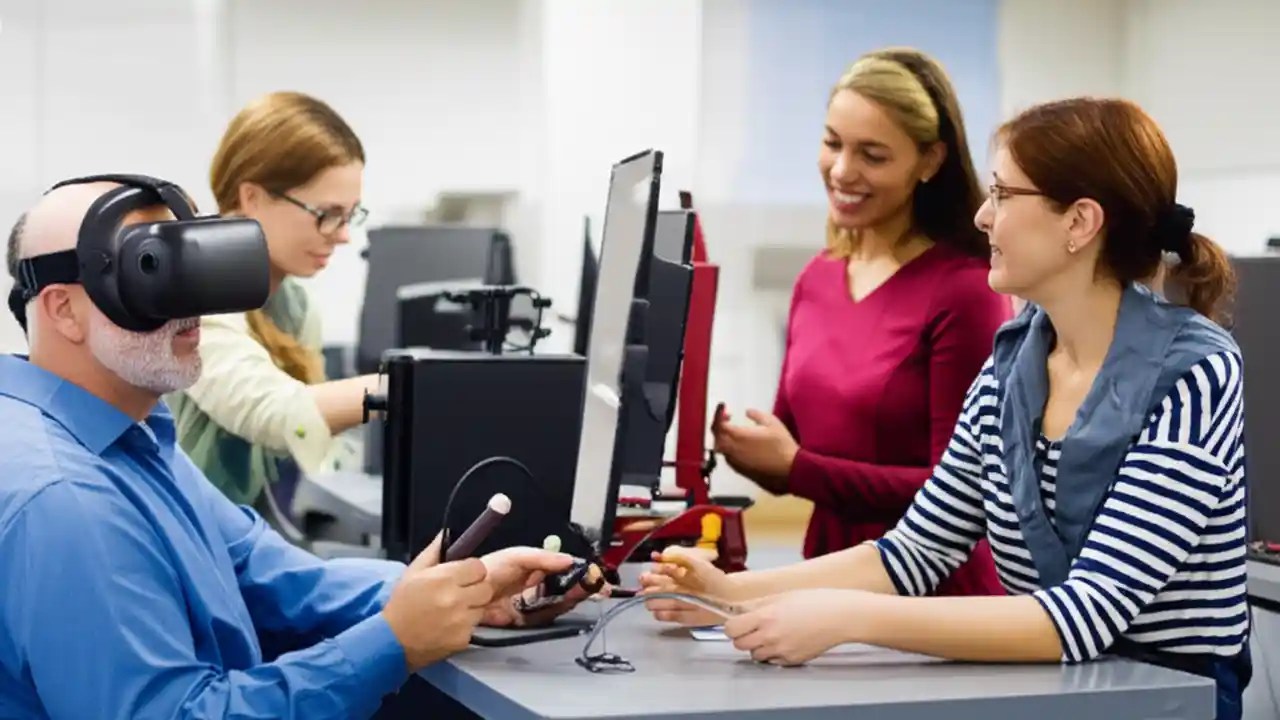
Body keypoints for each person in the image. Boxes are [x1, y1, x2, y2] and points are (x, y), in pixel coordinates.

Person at [644, 97, 1250, 719]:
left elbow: (1085, 614)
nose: (984, 216)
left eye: (1003, 194)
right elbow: (916, 550)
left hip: (1170, 696)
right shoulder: (1010, 366)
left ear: (1079, 221)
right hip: (1060, 688)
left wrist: (847, 618)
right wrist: (729, 593)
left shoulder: (1194, 374)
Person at [0, 179, 586, 719]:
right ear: (63, 310)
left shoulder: (130, 435)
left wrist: (459, 590)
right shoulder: (65, 498)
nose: (192, 308)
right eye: (150, 271)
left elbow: (267, 573)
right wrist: (395, 642)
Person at [713, 48, 1008, 595]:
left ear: (929, 161)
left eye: (872, 155)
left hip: (930, 598)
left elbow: (963, 492)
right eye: (833, 143)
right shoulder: (817, 278)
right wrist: (742, 447)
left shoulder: (965, 291)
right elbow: (793, 450)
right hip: (825, 584)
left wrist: (796, 468)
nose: (842, 170)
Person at [164, 90, 381, 508]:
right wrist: (407, 385)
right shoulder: (195, 289)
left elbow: (308, 443)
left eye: (349, 215)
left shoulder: (294, 306)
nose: (343, 235)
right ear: (253, 197)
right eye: (327, 214)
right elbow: (279, 416)